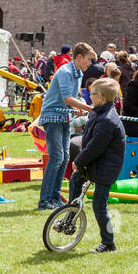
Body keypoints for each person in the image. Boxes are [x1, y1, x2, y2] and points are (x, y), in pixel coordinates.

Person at [67, 78, 126, 254]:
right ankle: (71, 217)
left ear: (99, 97)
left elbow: (95, 146)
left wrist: (78, 161)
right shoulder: (98, 112)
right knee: (76, 180)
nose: (89, 95)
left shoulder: (107, 120)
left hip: (106, 168)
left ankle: (109, 243)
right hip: (97, 163)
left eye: (91, 93)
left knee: (99, 205)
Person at [36, 43, 95, 210]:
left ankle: (55, 196)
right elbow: (67, 98)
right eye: (88, 60)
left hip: (64, 117)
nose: (90, 63)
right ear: (79, 57)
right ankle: (45, 200)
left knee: (64, 158)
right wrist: (89, 108)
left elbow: (70, 100)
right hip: (52, 117)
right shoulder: (65, 71)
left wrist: (77, 109)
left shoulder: (78, 73)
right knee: (56, 157)